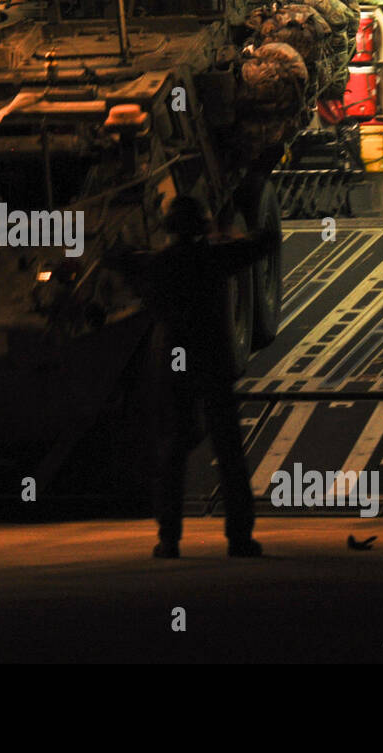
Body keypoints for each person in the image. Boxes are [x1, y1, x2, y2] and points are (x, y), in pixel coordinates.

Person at [105, 195, 279, 559]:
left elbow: (120, 259)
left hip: (178, 361)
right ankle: (239, 538)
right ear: (201, 227)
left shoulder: (161, 264)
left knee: (172, 451)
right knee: (229, 451)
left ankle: (169, 539)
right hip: (213, 360)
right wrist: (225, 232)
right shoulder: (214, 258)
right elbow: (265, 240)